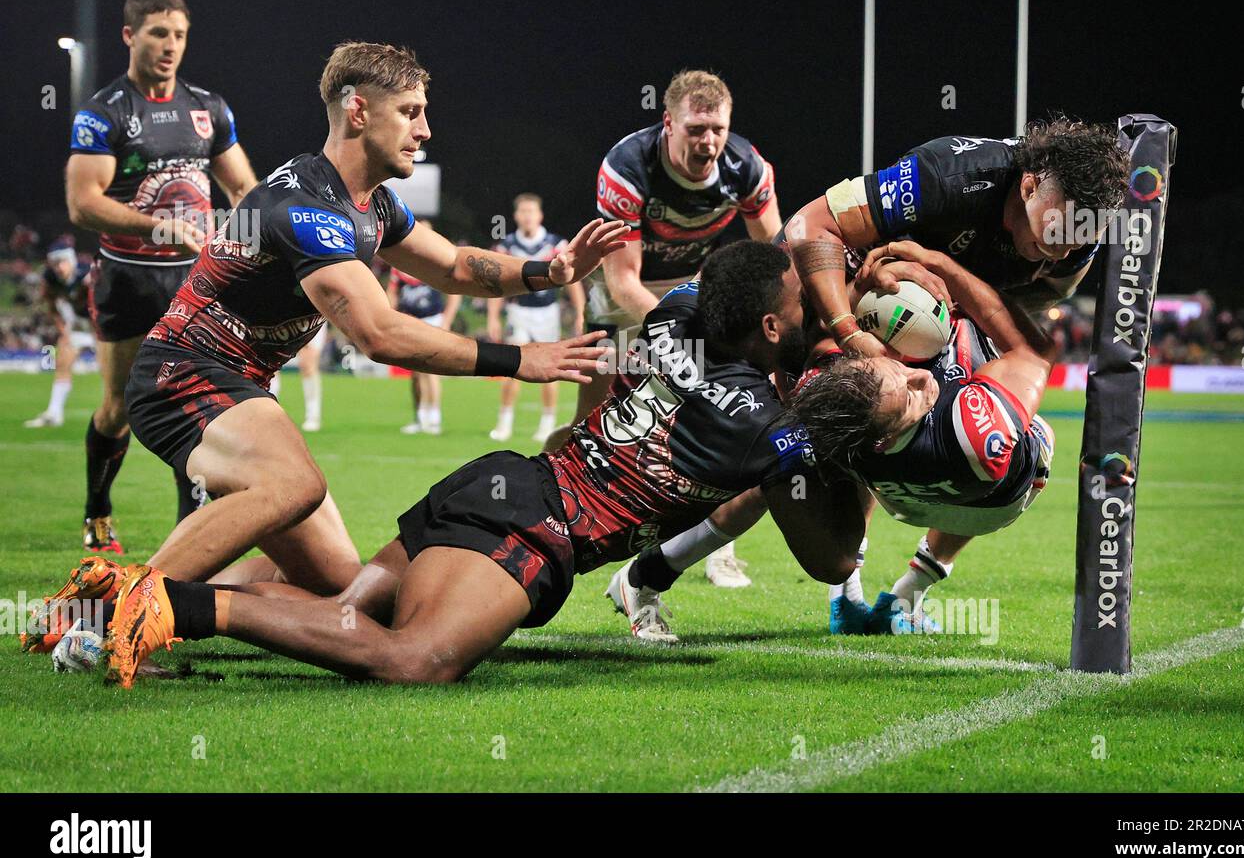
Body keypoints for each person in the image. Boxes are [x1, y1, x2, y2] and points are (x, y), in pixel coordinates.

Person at [99, 240, 865, 687]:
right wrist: (852, 431)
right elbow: (832, 560)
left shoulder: (678, 316)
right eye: (808, 303)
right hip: (533, 526)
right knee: (415, 660)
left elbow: (677, 311)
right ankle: (178, 607)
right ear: (769, 326)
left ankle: (136, 594)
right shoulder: (768, 429)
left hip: (505, 483)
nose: (823, 308)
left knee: (353, 611)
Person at [88, 41, 621, 601]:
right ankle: (117, 621)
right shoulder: (306, 208)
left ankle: (112, 604)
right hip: (184, 374)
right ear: (359, 111)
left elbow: (453, 265)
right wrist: (517, 360)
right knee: (293, 485)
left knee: (342, 589)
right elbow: (379, 334)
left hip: (236, 382)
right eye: (410, 113)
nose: (426, 130)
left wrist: (549, 271)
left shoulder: (373, 202)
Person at [622, 119, 1128, 629]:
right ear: (1028, 186)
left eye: (1081, 239)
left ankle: (900, 596)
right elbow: (809, 227)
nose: (1064, 250)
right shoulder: (952, 174)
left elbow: (1028, 306)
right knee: (792, 460)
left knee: (1011, 451)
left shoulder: (1076, 232)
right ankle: (654, 572)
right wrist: (852, 328)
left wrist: (943, 284)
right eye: (1055, 231)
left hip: (925, 327)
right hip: (824, 311)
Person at [547, 69, 782, 589]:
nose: (709, 141)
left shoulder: (747, 167)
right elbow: (623, 278)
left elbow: (776, 255)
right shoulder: (628, 167)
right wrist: (679, 341)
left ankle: (716, 549)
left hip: (697, 289)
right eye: (696, 129)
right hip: (622, 291)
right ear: (668, 123)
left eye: (717, 129)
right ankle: (550, 506)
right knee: (593, 426)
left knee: (712, 420)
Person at [66, 0, 258, 549]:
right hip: (128, 279)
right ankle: (98, 510)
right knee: (119, 409)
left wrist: (251, 245)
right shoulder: (104, 114)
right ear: (129, 36)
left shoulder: (208, 109)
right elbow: (83, 202)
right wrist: (156, 226)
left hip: (195, 284)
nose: (170, 45)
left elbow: (244, 187)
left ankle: (188, 534)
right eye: (157, 33)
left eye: (178, 35)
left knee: (196, 405)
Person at [786, 240, 1059, 631]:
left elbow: (821, 339)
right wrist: (941, 264)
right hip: (988, 500)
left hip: (895, 495)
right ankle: (907, 597)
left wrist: (857, 305)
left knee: (847, 430)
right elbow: (1036, 351)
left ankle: (846, 595)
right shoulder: (975, 430)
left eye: (897, 370)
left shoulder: (824, 398)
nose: (920, 379)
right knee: (1038, 434)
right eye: (909, 396)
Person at [487, 193, 584, 443]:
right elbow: (495, 285)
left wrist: (580, 312)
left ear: (540, 215)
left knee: (551, 368)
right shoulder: (505, 246)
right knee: (512, 366)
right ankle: (504, 421)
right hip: (519, 311)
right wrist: (493, 318)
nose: (528, 216)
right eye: (523, 212)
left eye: (532, 211)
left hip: (547, 312)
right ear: (516, 216)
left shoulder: (556, 245)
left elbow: (572, 281)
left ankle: (548, 424)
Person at [386, 239, 461, 434]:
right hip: (410, 321)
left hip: (433, 320)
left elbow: (455, 292)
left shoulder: (435, 263)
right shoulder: (400, 266)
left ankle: (434, 417)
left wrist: (447, 319)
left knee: (431, 370)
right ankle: (420, 417)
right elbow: (392, 294)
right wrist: (388, 315)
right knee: (416, 373)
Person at [24, 240, 94, 429]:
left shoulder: (89, 273)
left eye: (62, 261)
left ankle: (127, 412)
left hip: (102, 325)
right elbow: (50, 304)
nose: (58, 267)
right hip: (79, 325)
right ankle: (54, 413)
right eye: (54, 263)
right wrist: (63, 329)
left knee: (112, 372)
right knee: (62, 363)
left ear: (71, 260)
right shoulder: (50, 278)